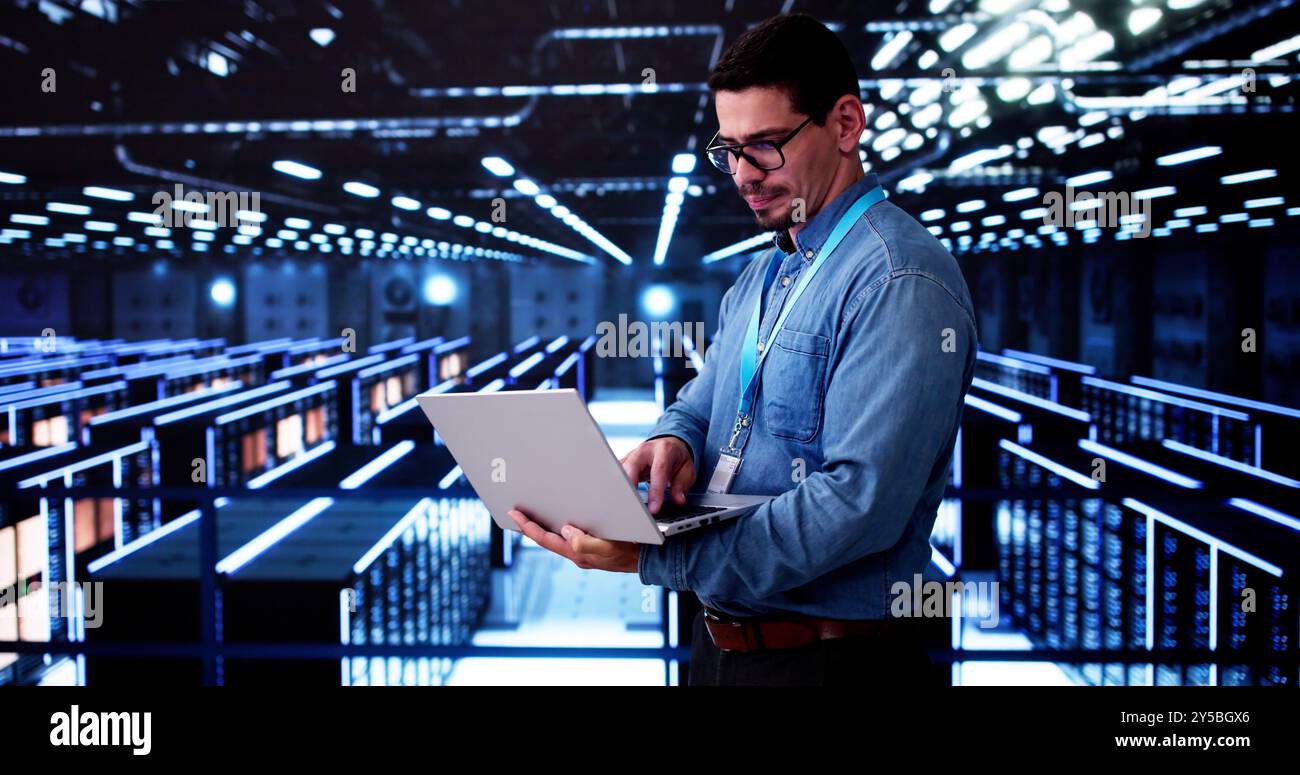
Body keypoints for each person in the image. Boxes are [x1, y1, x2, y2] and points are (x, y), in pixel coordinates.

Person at [509, 12, 977, 686]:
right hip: (726, 649)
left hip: (833, 665)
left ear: (846, 124)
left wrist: (652, 559)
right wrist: (676, 439)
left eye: (765, 144)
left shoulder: (899, 280)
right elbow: (708, 401)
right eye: (728, 149)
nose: (743, 174)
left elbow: (854, 508)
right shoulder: (763, 275)